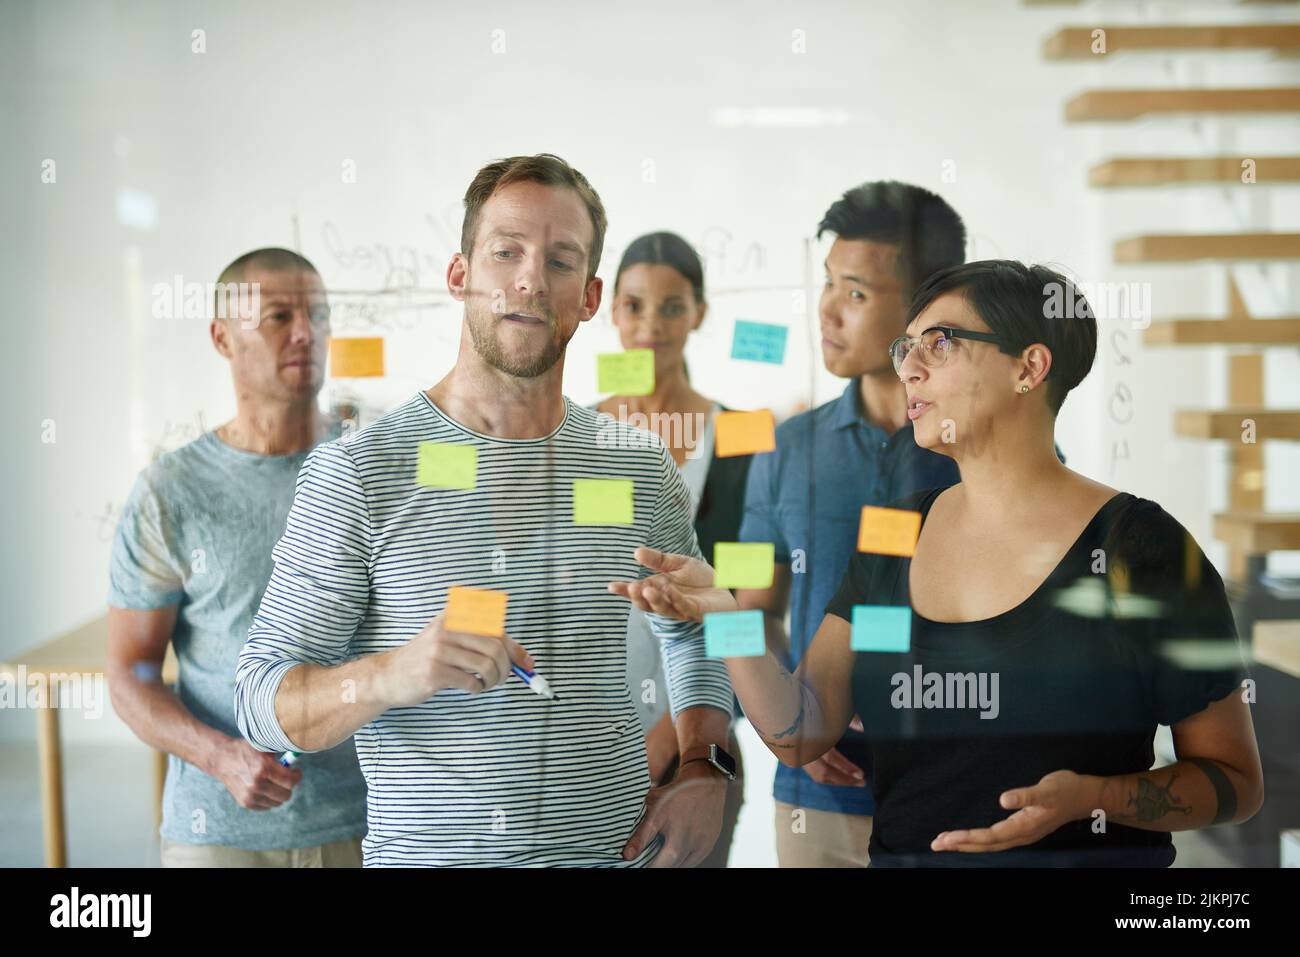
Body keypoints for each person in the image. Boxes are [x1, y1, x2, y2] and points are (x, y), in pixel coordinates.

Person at [610, 259, 1264, 867]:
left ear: (1028, 367)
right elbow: (803, 727)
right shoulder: (895, 532)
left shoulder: (1143, 549)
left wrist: (1098, 796)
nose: (909, 368)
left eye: (940, 342)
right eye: (906, 347)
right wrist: (727, 616)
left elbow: (1235, 781)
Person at [234, 154, 735, 867]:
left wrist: (703, 766)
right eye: (506, 252)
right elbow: (258, 698)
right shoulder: (361, 472)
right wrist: (392, 673)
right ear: (459, 273)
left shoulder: (638, 465)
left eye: (561, 260)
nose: (531, 278)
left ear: (590, 295)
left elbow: (694, 632)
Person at [107, 248, 367, 867]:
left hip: (366, 817)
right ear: (222, 338)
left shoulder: (375, 464)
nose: (307, 333)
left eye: (319, 315)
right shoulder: (170, 491)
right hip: (217, 826)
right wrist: (220, 756)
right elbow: (129, 674)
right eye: (279, 316)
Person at [736, 181, 964, 866]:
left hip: (959, 798)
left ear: (928, 309)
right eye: (829, 283)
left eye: (857, 293)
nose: (828, 309)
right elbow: (745, 609)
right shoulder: (780, 447)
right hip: (815, 802)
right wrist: (795, 718)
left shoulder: (986, 451)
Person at [595, 231, 750, 867]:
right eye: (634, 305)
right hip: (587, 740)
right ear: (611, 311)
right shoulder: (573, 434)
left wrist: (680, 735)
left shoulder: (739, 437)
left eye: (671, 307)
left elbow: (745, 603)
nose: (650, 325)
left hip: (698, 745)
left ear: (700, 314)